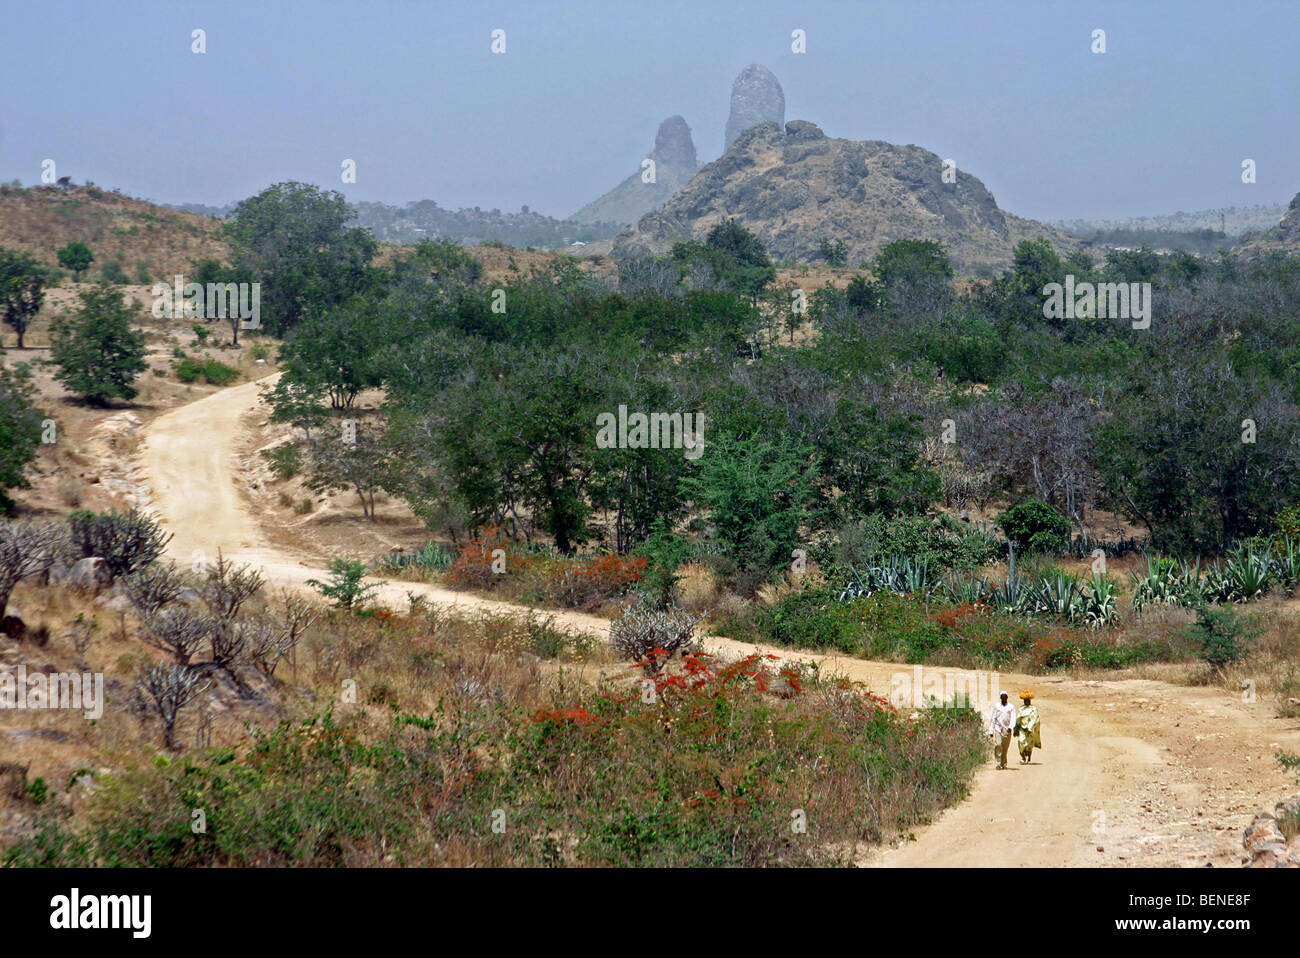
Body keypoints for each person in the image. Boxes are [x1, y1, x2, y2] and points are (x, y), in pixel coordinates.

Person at [988, 690, 1016, 769]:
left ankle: (1004, 763)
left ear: (1007, 697)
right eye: (1002, 696)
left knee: (1005, 747)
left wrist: (1011, 727)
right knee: (998, 744)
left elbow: (1013, 717)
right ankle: (998, 763)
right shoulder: (997, 706)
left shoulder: (1011, 707)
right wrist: (991, 730)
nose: (1003, 698)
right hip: (998, 728)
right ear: (1000, 698)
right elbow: (993, 718)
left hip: (1007, 730)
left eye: (1005, 696)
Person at [1015, 690, 1041, 764]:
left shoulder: (1033, 709)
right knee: (1021, 742)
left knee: (1029, 745)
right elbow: (1018, 718)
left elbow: (1035, 719)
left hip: (1030, 730)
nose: (1026, 702)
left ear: (1030, 701)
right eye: (1025, 700)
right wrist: (1016, 728)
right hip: (1022, 729)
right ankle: (1023, 757)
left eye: (1027, 700)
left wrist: (1029, 728)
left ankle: (1029, 758)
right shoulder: (1021, 708)